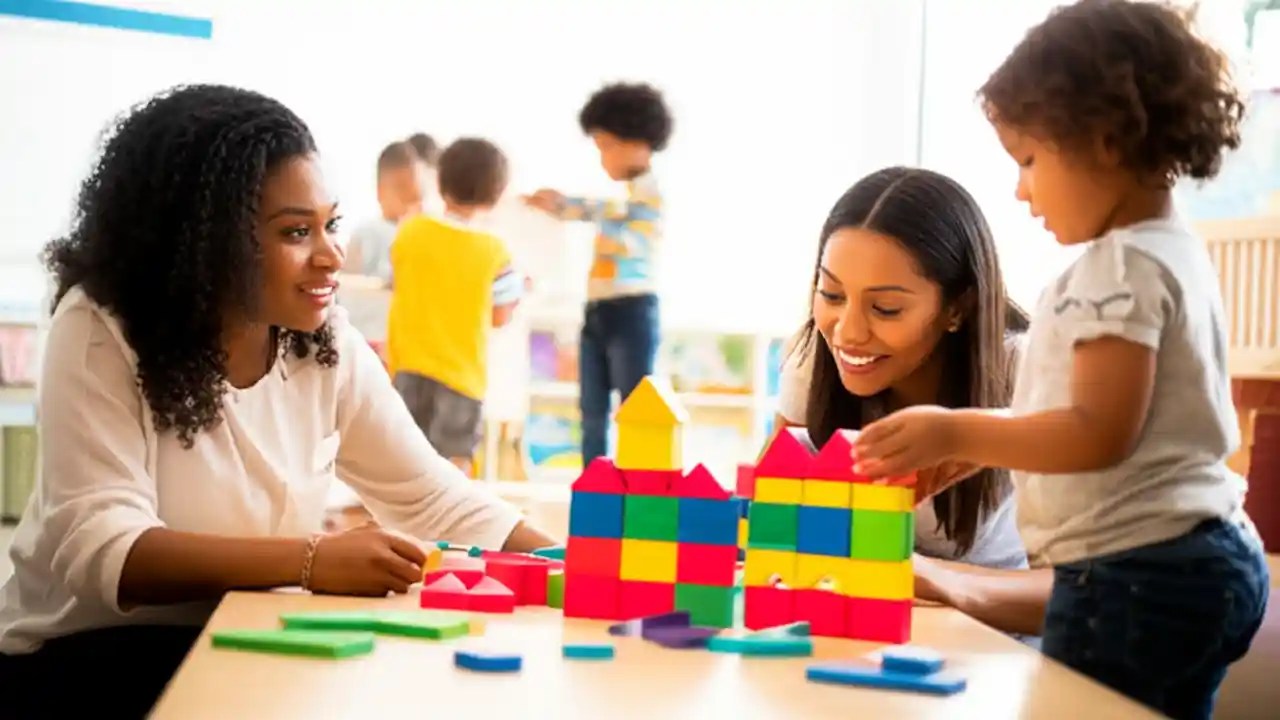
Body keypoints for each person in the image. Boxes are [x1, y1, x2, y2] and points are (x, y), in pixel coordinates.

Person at [0, 84, 555, 717]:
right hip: (88, 659)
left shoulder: (322, 341)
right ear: (203, 241)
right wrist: (312, 560)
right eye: (297, 231)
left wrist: (569, 566)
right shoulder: (102, 329)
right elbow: (105, 549)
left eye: (331, 224)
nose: (331, 255)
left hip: (243, 630)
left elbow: (431, 495)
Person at [853, 2, 1270, 717]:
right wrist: (993, 440)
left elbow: (1099, 431)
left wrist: (959, 431)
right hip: (1195, 559)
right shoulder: (1173, 251)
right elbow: (1122, 426)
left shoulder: (1117, 268)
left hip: (1135, 576)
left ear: (1104, 140)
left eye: (1029, 160)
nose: (1020, 189)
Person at [778, 167, 1033, 594]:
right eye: (832, 295)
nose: (847, 332)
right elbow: (779, 527)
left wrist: (921, 575)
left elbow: (1081, 592)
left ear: (958, 308)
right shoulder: (812, 361)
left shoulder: (1025, 371)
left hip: (995, 645)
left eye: (886, 308)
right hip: (863, 634)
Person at [524, 82, 673, 464]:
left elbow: (612, 211)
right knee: (591, 411)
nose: (603, 159)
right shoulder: (621, 196)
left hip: (633, 310)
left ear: (636, 141)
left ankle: (639, 489)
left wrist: (563, 205)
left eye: (606, 147)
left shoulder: (647, 193)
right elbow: (603, 210)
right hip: (599, 309)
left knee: (635, 407)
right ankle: (594, 487)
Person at [387, 138, 523, 476]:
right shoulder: (495, 251)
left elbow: (398, 276)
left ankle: (400, 524)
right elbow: (500, 316)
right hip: (462, 374)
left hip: (408, 365)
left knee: (404, 456)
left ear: (441, 183)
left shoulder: (411, 230)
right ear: (497, 194)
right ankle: (449, 526)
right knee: (453, 461)